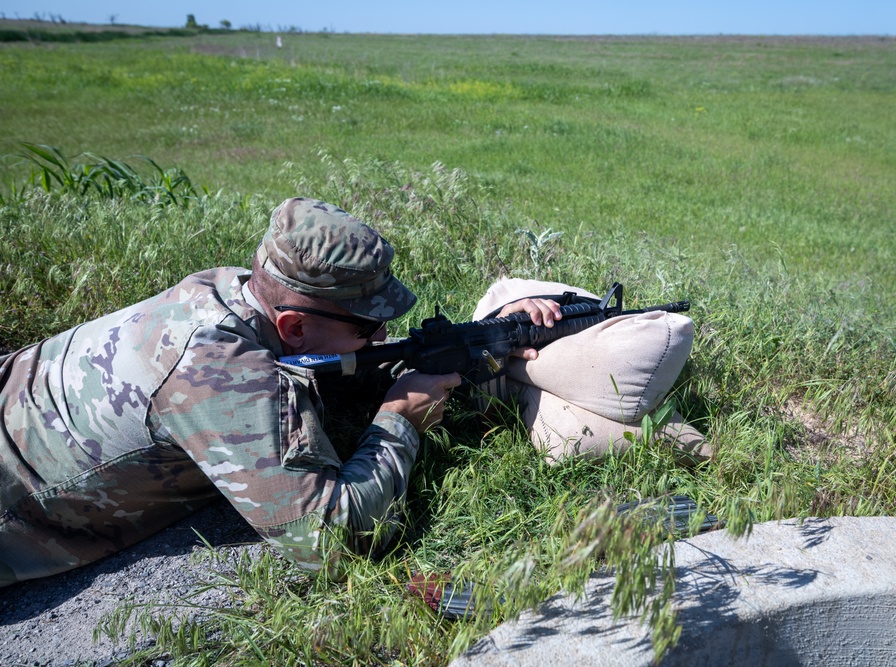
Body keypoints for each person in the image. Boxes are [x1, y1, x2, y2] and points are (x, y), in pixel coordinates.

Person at [0, 197, 561, 587]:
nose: (383, 337)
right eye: (368, 327)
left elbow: (323, 367)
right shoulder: (222, 374)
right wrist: (401, 421)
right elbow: (331, 544)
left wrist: (479, 337)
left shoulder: (225, 291)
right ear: (293, 324)